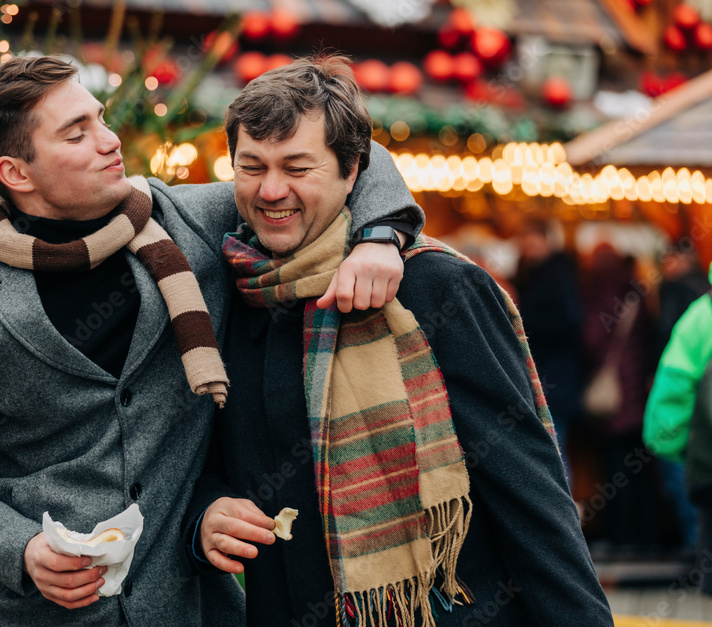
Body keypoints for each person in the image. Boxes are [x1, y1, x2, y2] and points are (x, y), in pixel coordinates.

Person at [0, 54, 424, 626]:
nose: (110, 140)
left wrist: (379, 237)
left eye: (100, 117)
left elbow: (342, 155)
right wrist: (21, 549)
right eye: (78, 132)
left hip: (188, 609)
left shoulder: (190, 220)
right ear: (17, 173)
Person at [183, 56, 613, 626]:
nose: (271, 189)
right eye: (252, 165)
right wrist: (205, 514)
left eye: (297, 167)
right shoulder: (225, 294)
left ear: (353, 169)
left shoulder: (437, 287)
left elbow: (530, 494)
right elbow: (197, 459)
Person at [580, 243, 659, 549]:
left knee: (615, 469)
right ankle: (650, 534)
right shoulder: (637, 292)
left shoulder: (600, 293)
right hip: (638, 393)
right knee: (641, 468)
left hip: (615, 399)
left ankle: (620, 533)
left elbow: (591, 339)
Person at [644, 266, 712, 596]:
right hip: (695, 441)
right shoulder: (704, 315)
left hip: (690, 441)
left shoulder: (700, 312)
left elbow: (676, 381)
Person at [512, 217, 583, 471]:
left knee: (555, 450)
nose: (528, 249)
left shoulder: (556, 276)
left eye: (532, 243)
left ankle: (562, 509)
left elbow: (569, 322)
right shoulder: (535, 273)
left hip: (554, 378)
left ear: (546, 242)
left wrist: (525, 321)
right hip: (549, 376)